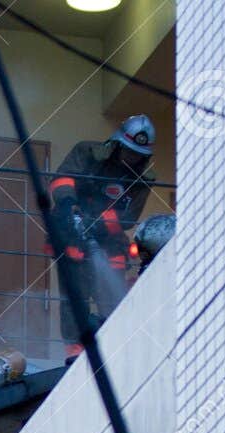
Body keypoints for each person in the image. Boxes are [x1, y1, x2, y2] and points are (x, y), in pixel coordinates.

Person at [48, 114, 157, 360]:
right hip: (70, 236)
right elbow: (62, 179)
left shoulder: (143, 177)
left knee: (112, 297)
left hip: (109, 242)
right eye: (129, 151)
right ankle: (76, 352)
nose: (133, 157)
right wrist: (67, 205)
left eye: (138, 154)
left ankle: (114, 349)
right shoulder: (86, 152)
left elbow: (129, 215)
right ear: (117, 144)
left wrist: (97, 224)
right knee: (74, 296)